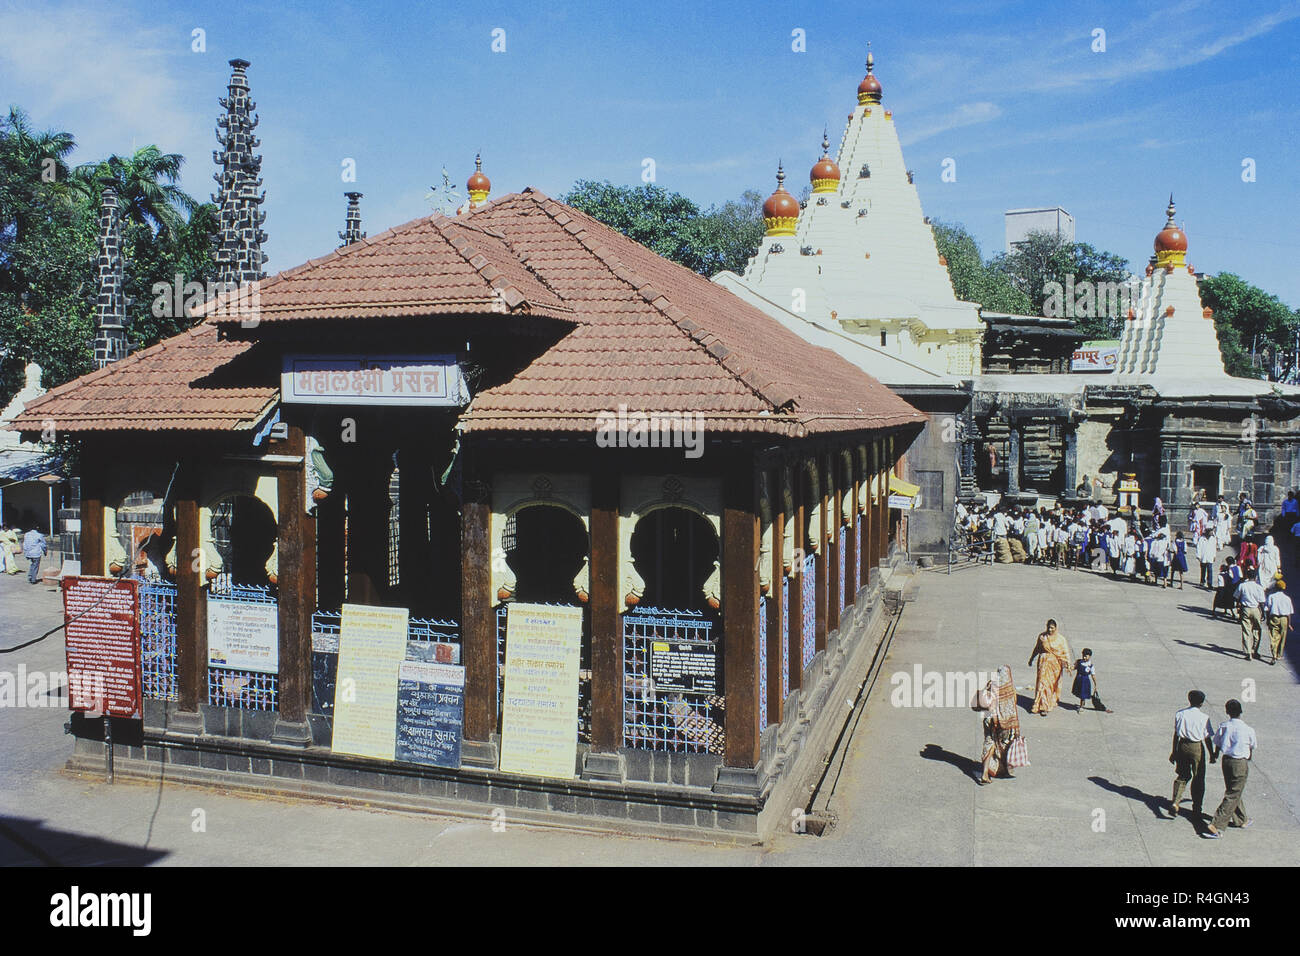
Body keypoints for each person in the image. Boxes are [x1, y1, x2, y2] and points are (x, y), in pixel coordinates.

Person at [1204, 699, 1257, 839]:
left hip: (1226, 761)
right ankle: (1217, 824)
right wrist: (1248, 758)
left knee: (1233, 790)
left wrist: (1214, 755)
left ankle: (1242, 819)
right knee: (1233, 793)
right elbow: (1251, 747)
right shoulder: (1248, 729)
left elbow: (1218, 743)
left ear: (1227, 712)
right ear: (1241, 711)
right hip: (1240, 762)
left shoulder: (1224, 726)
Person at [1166, 690, 1216, 824]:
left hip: (1183, 745)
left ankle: (1176, 802)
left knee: (1183, 775)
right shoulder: (1204, 717)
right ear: (1201, 703)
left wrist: (1174, 751)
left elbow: (1176, 734)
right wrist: (1212, 754)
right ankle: (1197, 808)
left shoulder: (1180, 714)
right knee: (1198, 778)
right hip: (1196, 747)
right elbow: (1207, 738)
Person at [976, 665, 1021, 785]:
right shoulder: (1009, 688)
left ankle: (986, 772)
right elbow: (1012, 707)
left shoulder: (992, 684)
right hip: (1004, 722)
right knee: (1004, 745)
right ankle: (1000, 769)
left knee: (989, 742)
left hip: (989, 718)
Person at [1028, 619, 1073, 716]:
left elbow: (1065, 652)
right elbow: (1037, 648)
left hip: (1055, 666)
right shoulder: (1042, 637)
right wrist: (1031, 659)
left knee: (1050, 685)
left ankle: (1047, 704)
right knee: (1042, 683)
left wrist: (1068, 665)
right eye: (1048, 627)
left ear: (1056, 628)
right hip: (1043, 663)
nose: (1050, 629)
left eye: (1052, 628)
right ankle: (1040, 705)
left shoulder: (1061, 639)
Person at [1235, 570, 1268, 661]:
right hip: (1256, 609)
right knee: (1257, 630)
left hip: (1245, 609)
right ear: (1255, 577)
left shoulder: (1242, 585)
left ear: (1247, 576)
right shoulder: (1259, 587)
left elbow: (1236, 596)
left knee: (1246, 631)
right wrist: (1263, 613)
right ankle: (1254, 650)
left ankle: (1248, 652)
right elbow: (1262, 601)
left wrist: (1239, 606)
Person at [1071, 648, 1112, 713]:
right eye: (1083, 656)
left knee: (1083, 694)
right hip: (1078, 680)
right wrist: (1069, 667)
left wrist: (1095, 684)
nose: (1084, 657)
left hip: (1085, 682)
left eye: (1086, 656)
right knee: (1080, 693)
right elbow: (1073, 667)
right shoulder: (1079, 662)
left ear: (1090, 656)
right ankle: (1082, 703)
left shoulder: (1090, 666)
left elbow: (1093, 675)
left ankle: (1081, 706)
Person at [1264, 579, 1293, 666]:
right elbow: (1289, 613)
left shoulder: (1271, 596)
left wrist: (1268, 619)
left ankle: (1274, 654)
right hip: (1284, 619)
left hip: (1274, 618)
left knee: (1274, 636)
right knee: (1282, 636)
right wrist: (1289, 624)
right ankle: (1279, 654)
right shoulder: (1287, 598)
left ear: (1276, 587)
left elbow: (1267, 609)